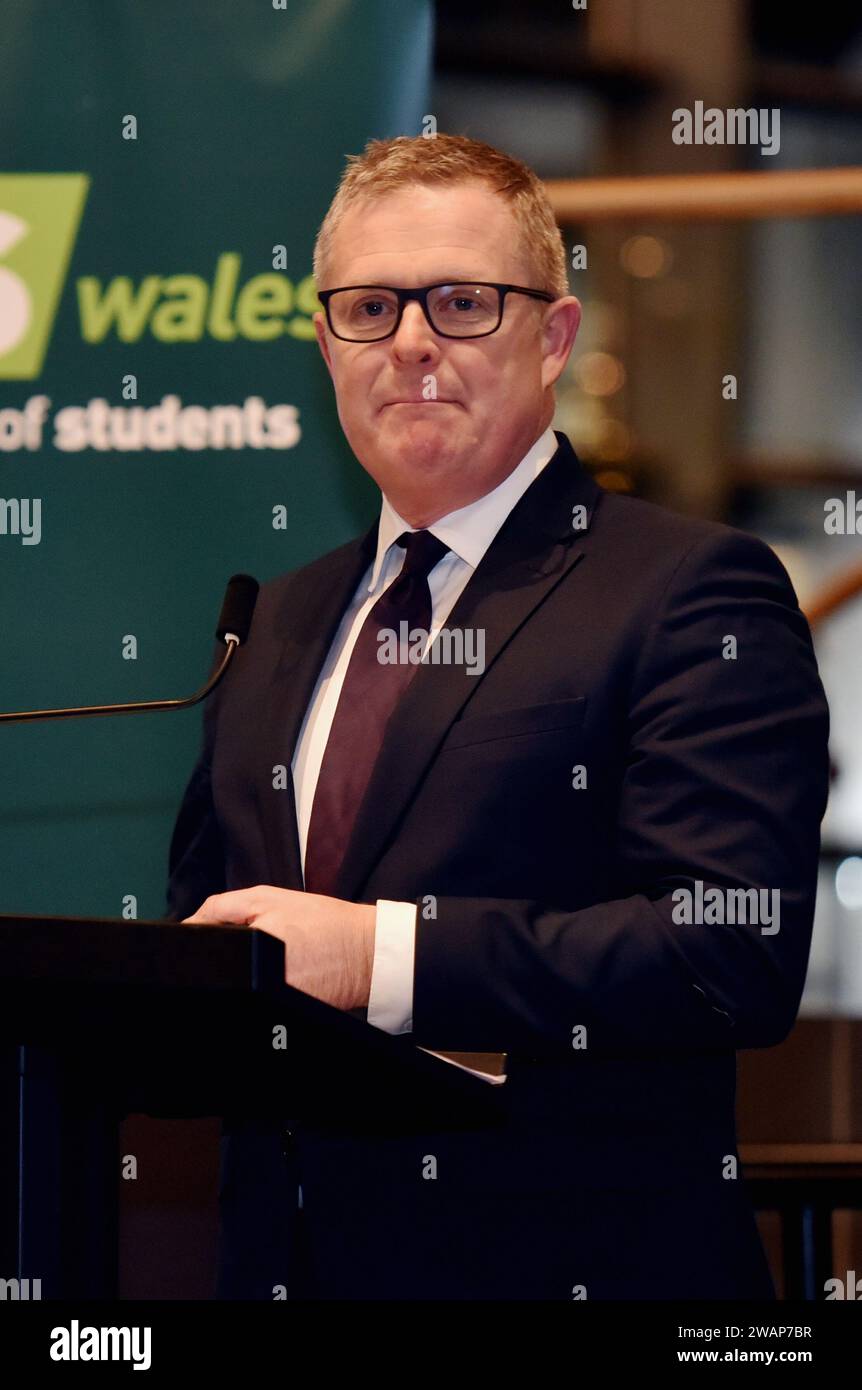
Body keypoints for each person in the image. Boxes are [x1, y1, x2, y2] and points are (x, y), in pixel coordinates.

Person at [167, 133, 830, 1300]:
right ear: (326, 344)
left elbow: (727, 954)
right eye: (370, 307)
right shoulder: (272, 618)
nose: (411, 342)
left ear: (553, 338)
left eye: (463, 303)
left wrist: (377, 955)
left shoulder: (689, 590)